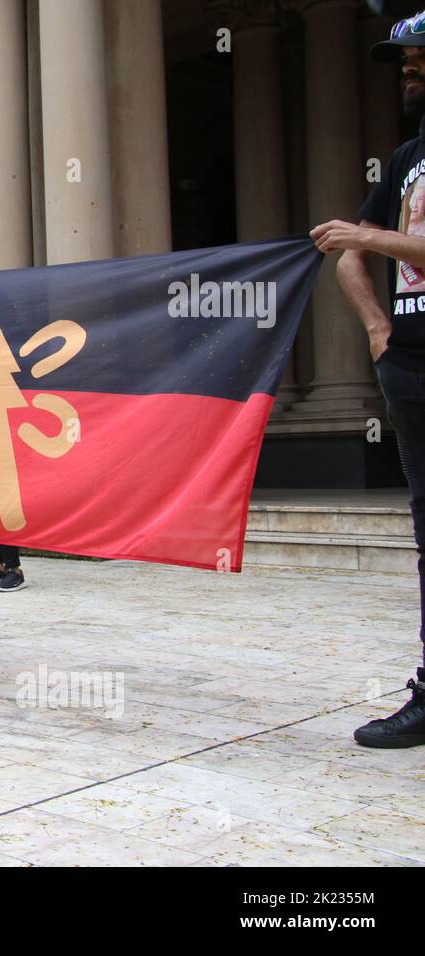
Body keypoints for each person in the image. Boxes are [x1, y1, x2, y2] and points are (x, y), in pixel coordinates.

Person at [310, 12, 425, 747]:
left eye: (419, 61)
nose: (408, 72)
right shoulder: (407, 157)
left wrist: (368, 239)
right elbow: (351, 253)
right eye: (404, 62)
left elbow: (363, 241)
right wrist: (379, 331)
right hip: (412, 364)